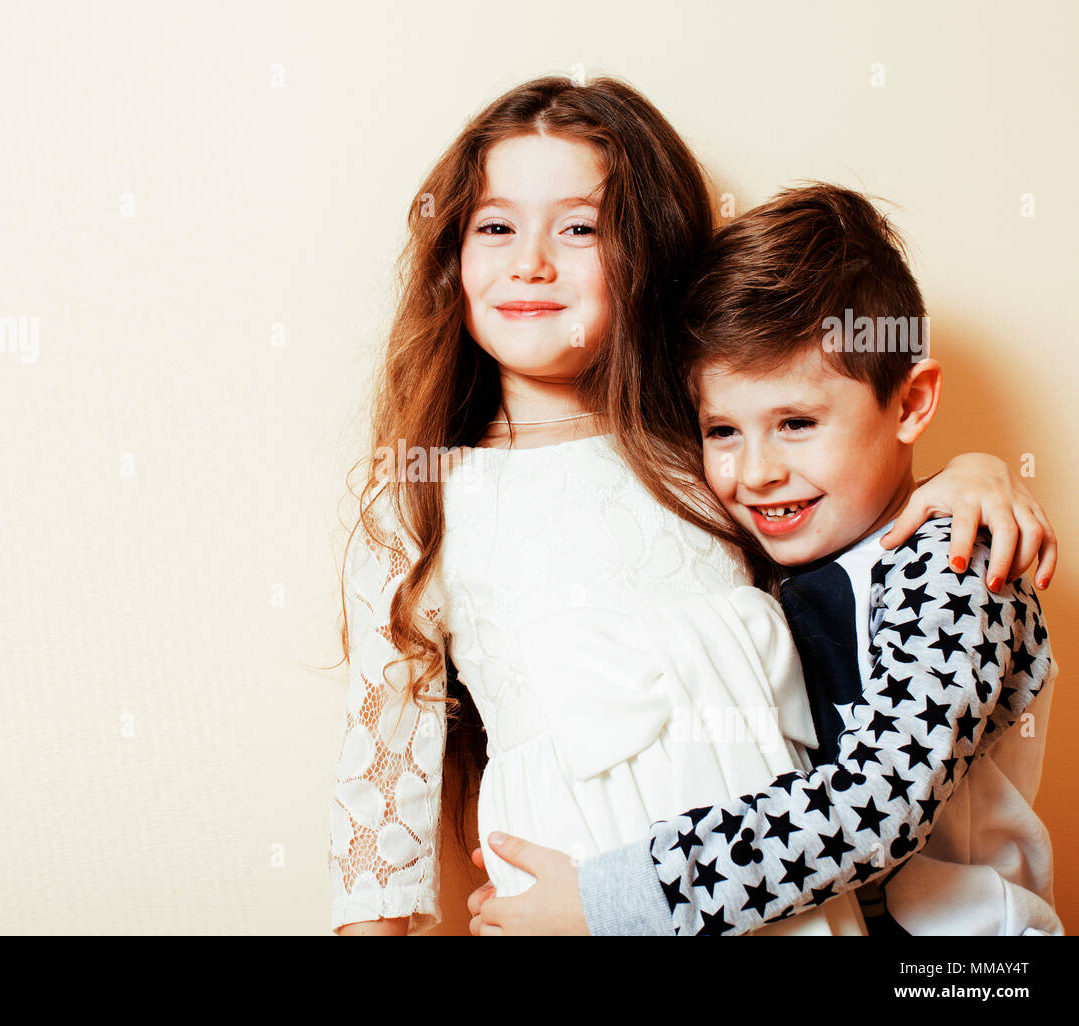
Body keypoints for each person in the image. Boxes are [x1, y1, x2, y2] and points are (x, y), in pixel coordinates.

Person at [328, 75, 1057, 937]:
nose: (530, 261)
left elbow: (874, 795)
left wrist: (969, 472)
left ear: (642, 257)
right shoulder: (427, 495)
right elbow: (383, 780)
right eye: (495, 225)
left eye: (577, 227)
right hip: (590, 894)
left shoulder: (690, 455)